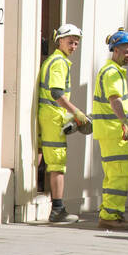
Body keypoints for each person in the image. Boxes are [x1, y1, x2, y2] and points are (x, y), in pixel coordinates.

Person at [92, 28, 128, 231]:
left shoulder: (112, 71)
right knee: (118, 175)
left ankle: (112, 213)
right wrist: (124, 121)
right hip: (113, 130)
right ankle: (109, 216)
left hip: (111, 130)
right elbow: (114, 100)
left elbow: (116, 102)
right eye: (127, 52)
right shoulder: (112, 73)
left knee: (116, 175)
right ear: (115, 50)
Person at [37, 23, 91, 223]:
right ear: (59, 41)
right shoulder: (59, 62)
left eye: (76, 43)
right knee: (57, 164)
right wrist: (76, 112)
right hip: (53, 117)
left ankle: (57, 208)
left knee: (48, 159)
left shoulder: (57, 60)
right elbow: (57, 93)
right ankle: (57, 210)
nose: (74, 46)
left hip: (50, 115)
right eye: (70, 42)